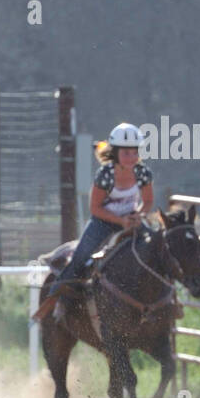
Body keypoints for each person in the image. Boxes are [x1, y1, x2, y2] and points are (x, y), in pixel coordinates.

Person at [54, 123, 154, 291]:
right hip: (103, 223)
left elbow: (148, 201)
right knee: (80, 259)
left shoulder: (143, 173)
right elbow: (95, 208)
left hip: (132, 220)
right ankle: (55, 299)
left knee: (156, 249)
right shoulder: (105, 174)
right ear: (115, 153)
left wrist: (139, 215)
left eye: (135, 152)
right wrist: (120, 221)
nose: (132, 157)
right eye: (126, 153)